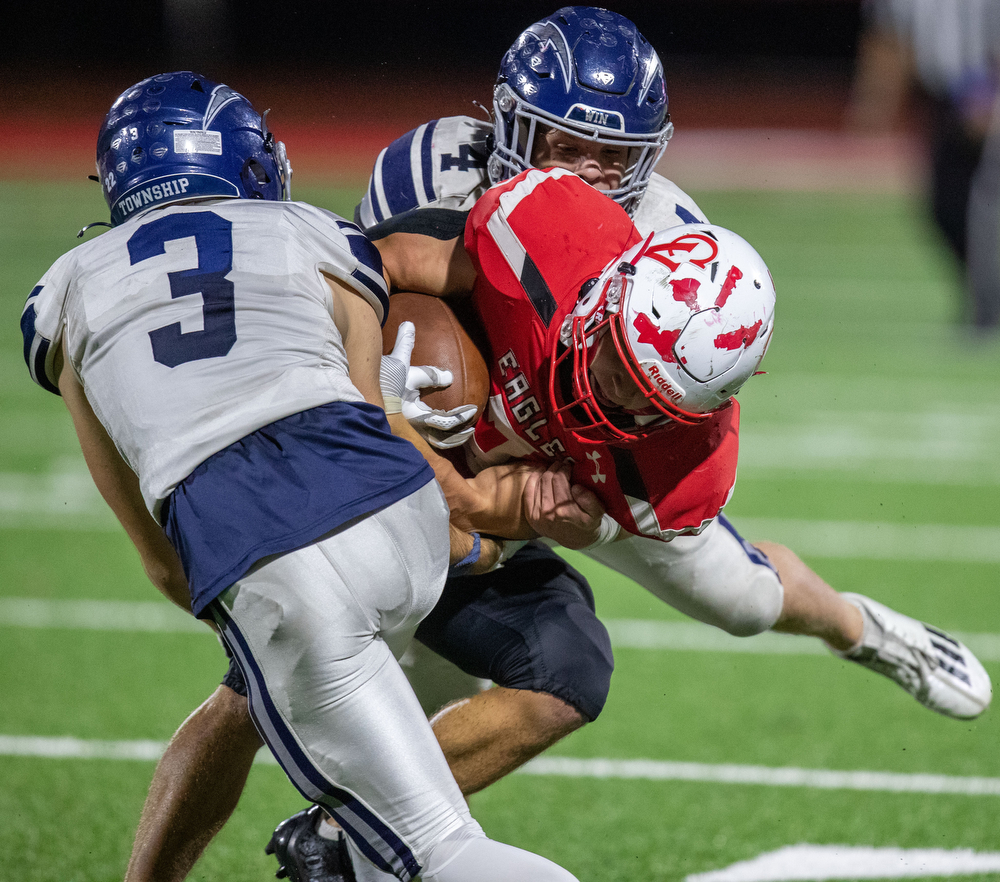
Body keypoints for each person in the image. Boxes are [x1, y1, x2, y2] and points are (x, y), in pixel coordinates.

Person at [118, 10, 993, 882]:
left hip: (590, 440)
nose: (590, 173)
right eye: (566, 145)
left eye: (615, 157)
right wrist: (382, 402)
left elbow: (613, 458)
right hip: (453, 416)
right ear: (508, 124)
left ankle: (862, 628)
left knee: (743, 600)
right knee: (261, 679)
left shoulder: (663, 245)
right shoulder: (438, 176)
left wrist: (535, 501)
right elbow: (369, 284)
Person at [21, 70, 578, 882]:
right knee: (388, 843)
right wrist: (467, 544)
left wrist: (254, 619)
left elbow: (158, 551)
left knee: (438, 851)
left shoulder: (62, 297)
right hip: (405, 523)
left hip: (267, 549)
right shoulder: (313, 230)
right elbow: (369, 417)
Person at [848, 0, 1000, 334]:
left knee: (985, 209)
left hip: (990, 93)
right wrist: (875, 102)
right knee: (943, 207)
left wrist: (989, 92)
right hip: (943, 101)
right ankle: (984, 295)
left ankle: (985, 309)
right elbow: (888, 37)